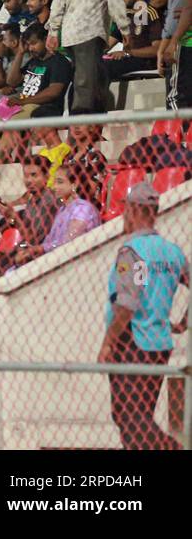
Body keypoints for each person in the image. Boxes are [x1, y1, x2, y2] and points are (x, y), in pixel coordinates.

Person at [99, 181, 188, 450]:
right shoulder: (172, 252)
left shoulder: (131, 252)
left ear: (135, 210)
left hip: (132, 343)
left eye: (127, 209)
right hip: (159, 343)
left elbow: (126, 304)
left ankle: (172, 448)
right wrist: (185, 322)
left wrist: (109, 342)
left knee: (131, 419)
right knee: (135, 417)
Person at [48, 0, 129, 113]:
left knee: (96, 79)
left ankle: (95, 126)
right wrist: (125, 29)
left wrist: (53, 32)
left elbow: (59, 1)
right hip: (89, 31)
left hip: (70, 33)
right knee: (85, 85)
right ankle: (81, 132)